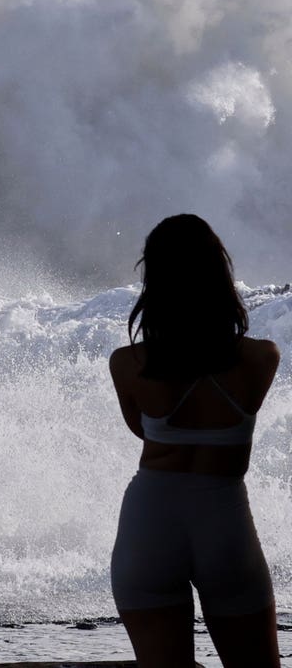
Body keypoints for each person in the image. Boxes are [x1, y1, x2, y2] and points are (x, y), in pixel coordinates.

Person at [109, 214, 282, 667]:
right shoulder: (261, 358)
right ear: (218, 273)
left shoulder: (128, 364)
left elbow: (142, 430)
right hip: (225, 525)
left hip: (149, 525)